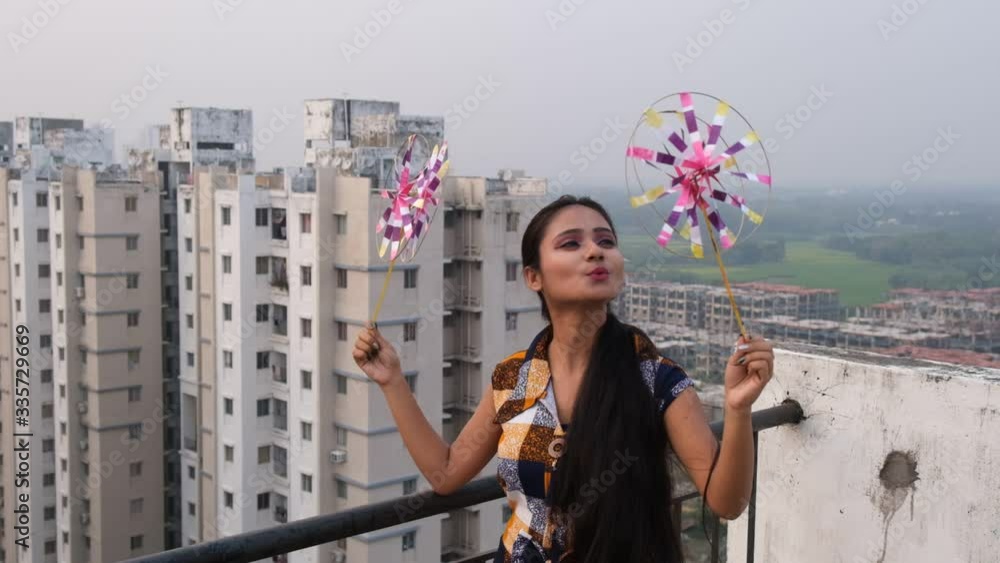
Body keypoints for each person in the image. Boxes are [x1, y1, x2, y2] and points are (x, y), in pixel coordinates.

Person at [353, 195, 775, 562]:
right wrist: (392, 380)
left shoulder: (656, 381)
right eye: (571, 243)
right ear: (534, 277)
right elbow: (446, 474)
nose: (595, 251)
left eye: (606, 241)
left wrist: (738, 409)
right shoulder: (514, 380)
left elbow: (726, 502)